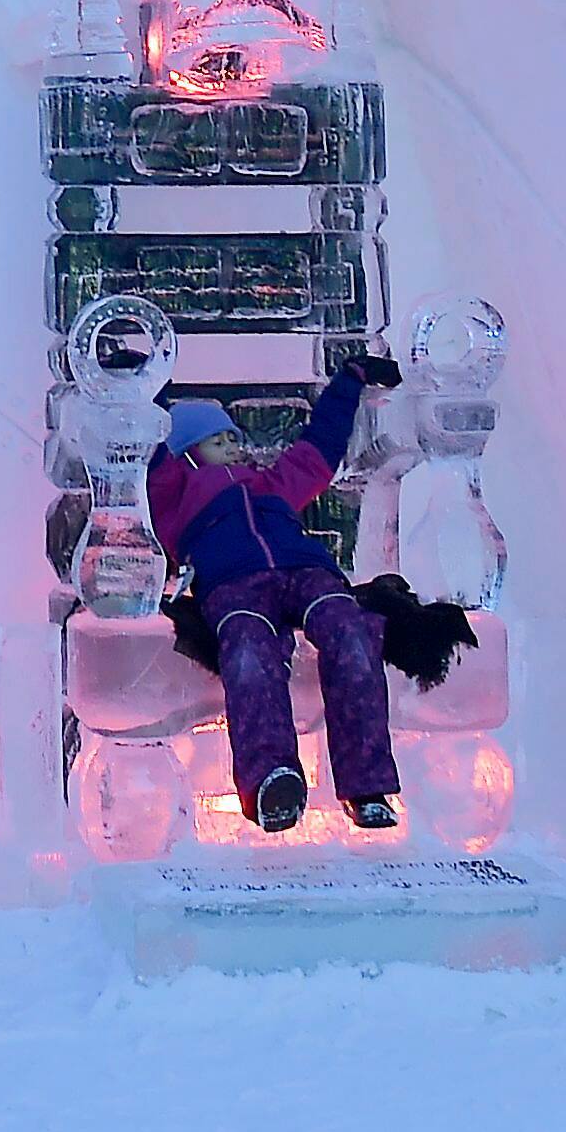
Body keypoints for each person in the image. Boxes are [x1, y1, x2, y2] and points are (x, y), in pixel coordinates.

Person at [146, 355, 406, 834]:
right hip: (233, 584)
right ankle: (271, 780)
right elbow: (149, 439)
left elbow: (321, 445)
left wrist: (351, 379)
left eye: (233, 439)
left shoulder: (271, 486)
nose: (232, 447)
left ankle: (366, 785)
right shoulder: (173, 496)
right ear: (186, 454)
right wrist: (145, 386)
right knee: (248, 654)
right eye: (217, 441)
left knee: (351, 633)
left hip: (307, 572)